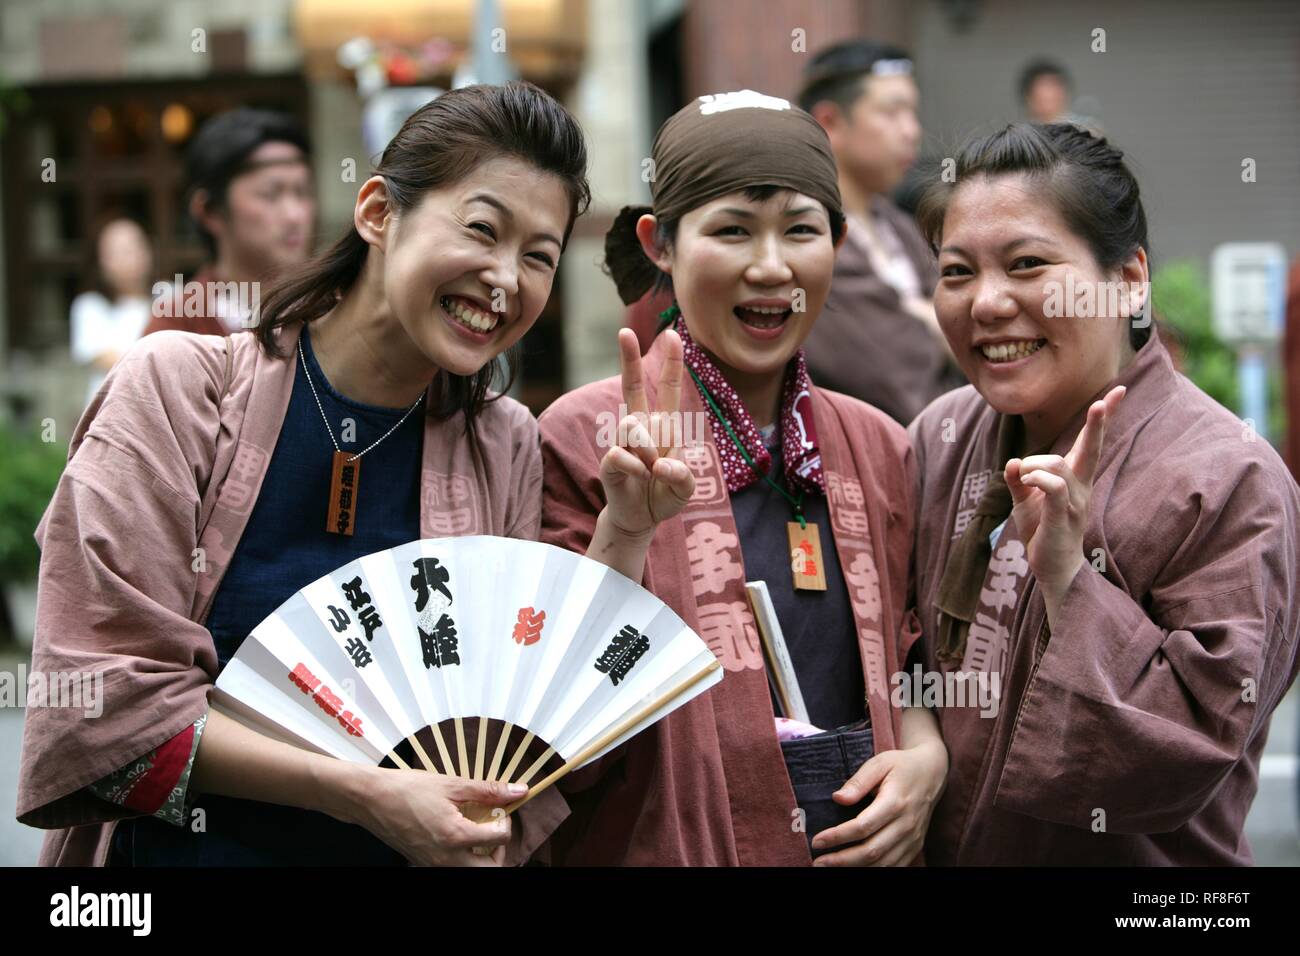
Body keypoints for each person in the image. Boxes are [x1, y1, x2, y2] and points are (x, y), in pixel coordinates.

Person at [17, 82, 673, 867]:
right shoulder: (180, 388)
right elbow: (106, 704)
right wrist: (360, 790)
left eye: (539, 256)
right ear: (377, 213)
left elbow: (534, 723)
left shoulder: (499, 443)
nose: (505, 278)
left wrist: (627, 526)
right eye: (481, 229)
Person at [539, 89, 948, 867]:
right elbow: (549, 718)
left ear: (839, 239)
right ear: (660, 243)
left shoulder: (880, 445)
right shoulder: (584, 436)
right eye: (731, 231)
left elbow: (913, 652)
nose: (771, 267)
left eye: (801, 230)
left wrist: (925, 754)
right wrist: (624, 531)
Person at [908, 122, 1300, 864]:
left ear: (1129, 278)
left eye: (1027, 264)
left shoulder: (1228, 478)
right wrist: (917, 737)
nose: (986, 303)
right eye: (957, 272)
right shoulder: (942, 435)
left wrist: (1067, 579)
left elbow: (1192, 743)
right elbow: (888, 646)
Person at [796, 40, 962, 425]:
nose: (912, 131)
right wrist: (934, 323)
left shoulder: (900, 226)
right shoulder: (808, 237)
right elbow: (896, 372)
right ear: (830, 122)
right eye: (892, 112)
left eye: (913, 112)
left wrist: (922, 317)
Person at [143, 107, 315, 338]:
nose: (295, 215)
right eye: (270, 194)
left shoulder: (333, 309)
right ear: (209, 211)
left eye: (302, 192)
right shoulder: (175, 326)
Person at [69, 217, 153, 405]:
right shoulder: (89, 307)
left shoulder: (170, 298)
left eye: (135, 247)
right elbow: (108, 360)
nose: (131, 257)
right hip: (110, 414)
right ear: (101, 262)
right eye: (120, 252)